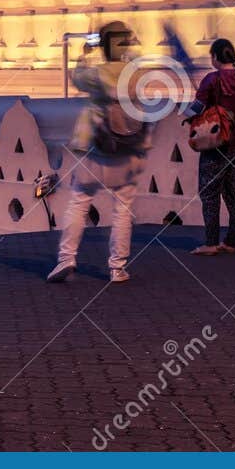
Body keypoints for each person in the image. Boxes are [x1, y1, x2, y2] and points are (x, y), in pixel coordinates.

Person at [48, 21, 154, 285]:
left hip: (97, 146)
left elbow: (77, 78)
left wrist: (85, 53)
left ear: (103, 46)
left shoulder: (96, 75)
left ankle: (67, 258)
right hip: (128, 147)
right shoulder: (137, 74)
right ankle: (117, 268)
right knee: (122, 210)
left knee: (79, 202)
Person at [186, 38, 235, 254]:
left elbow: (196, 108)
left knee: (209, 193)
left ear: (215, 57)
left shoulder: (212, 80)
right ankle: (231, 242)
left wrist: (189, 116)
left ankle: (211, 243)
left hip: (215, 145)